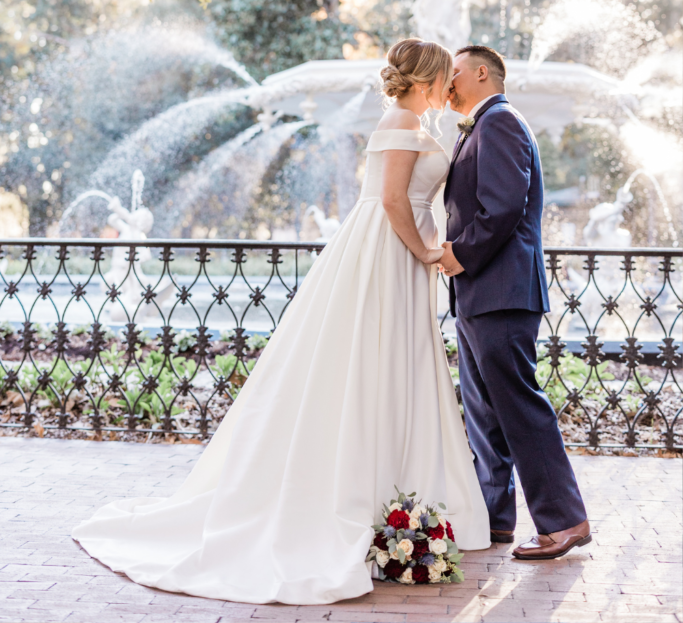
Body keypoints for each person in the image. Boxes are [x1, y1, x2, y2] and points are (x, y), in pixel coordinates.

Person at [72, 38, 490, 604]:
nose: (450, 85)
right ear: (426, 78)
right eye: (444, 75)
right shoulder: (399, 120)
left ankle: (400, 489)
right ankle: (359, 495)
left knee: (399, 362)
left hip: (402, 253)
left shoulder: (416, 122)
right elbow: (392, 200)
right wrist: (425, 251)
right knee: (373, 357)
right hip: (389, 250)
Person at [438, 44, 591, 561]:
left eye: (455, 73)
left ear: (482, 73)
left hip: (500, 290)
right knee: (485, 411)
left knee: (520, 407)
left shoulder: (500, 121)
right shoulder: (480, 125)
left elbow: (503, 207)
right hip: (479, 292)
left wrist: (460, 254)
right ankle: (494, 517)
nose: (448, 83)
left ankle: (564, 521)